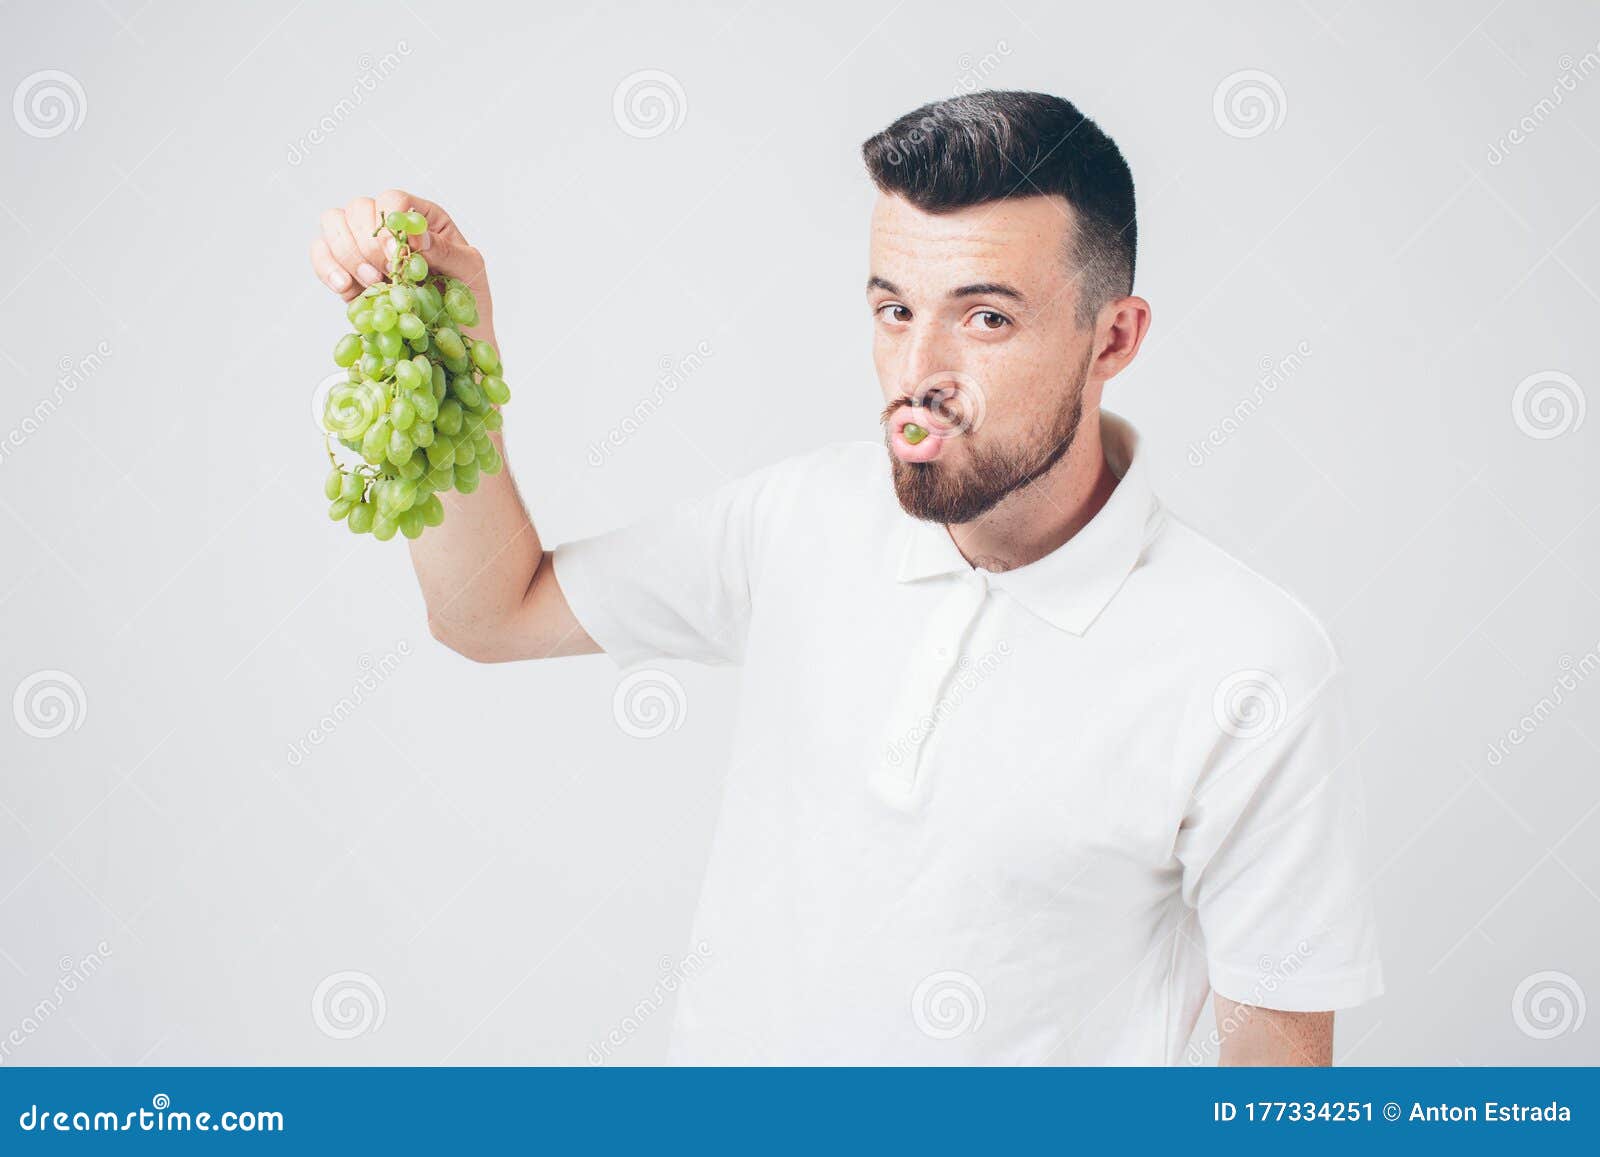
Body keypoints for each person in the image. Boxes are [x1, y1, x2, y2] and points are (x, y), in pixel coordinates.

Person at [308, 90, 1382, 1065]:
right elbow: (491, 609)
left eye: (986, 316)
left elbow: (1274, 1087)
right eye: (892, 308)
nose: (918, 374)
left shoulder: (1249, 660)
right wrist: (450, 345)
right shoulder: (800, 517)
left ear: (1114, 338)